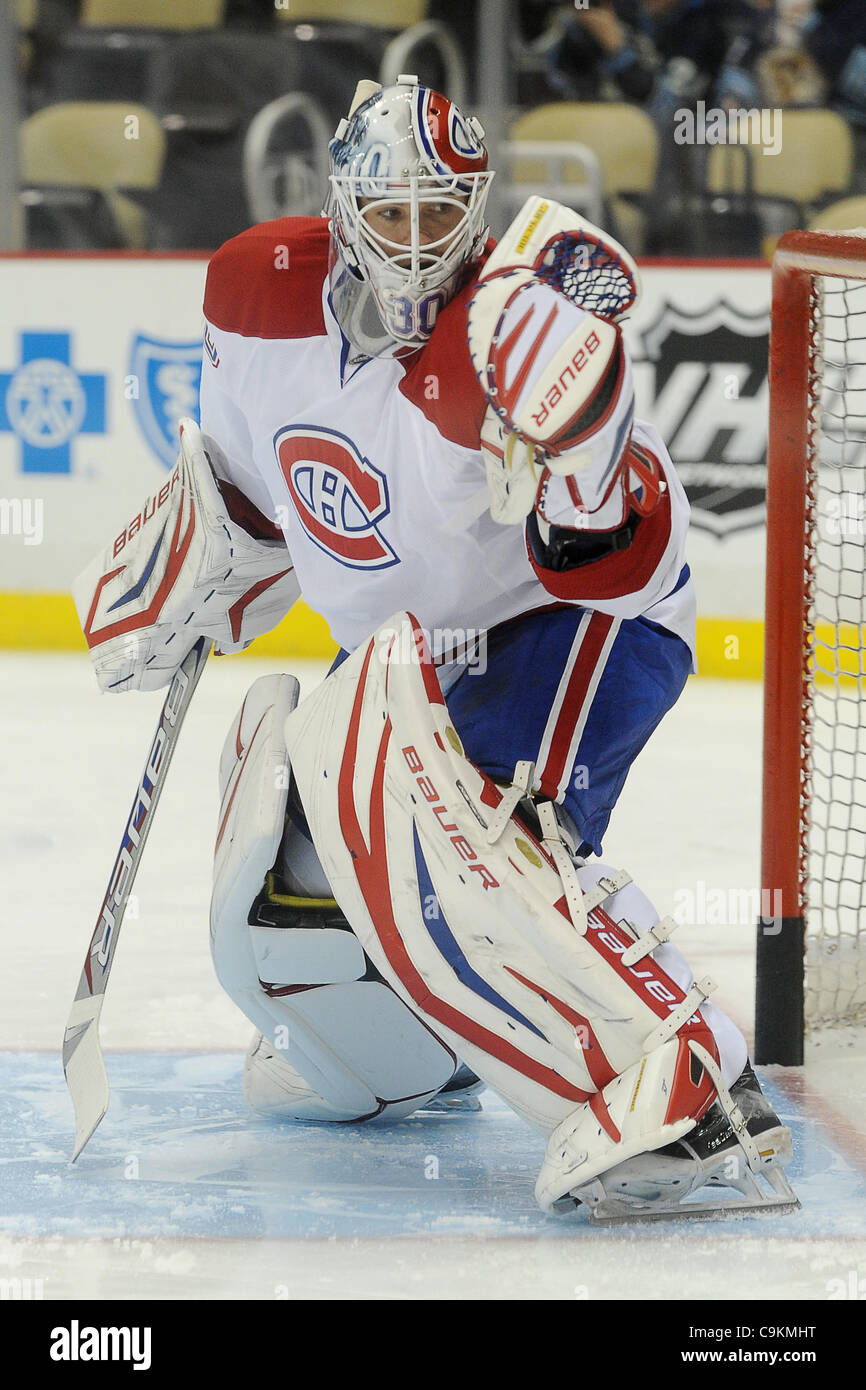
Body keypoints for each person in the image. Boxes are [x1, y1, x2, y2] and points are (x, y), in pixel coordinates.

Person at [73, 76, 796, 1220]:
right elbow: (259, 487)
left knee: (483, 833)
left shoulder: (505, 334)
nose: (415, 244)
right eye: (390, 213)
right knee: (282, 868)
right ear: (342, 203)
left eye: (439, 214)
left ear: (476, 210)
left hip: (572, 632)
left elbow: (617, 554)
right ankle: (391, 1057)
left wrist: (587, 468)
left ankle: (697, 1079)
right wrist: (192, 572)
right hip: (407, 662)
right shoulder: (253, 293)